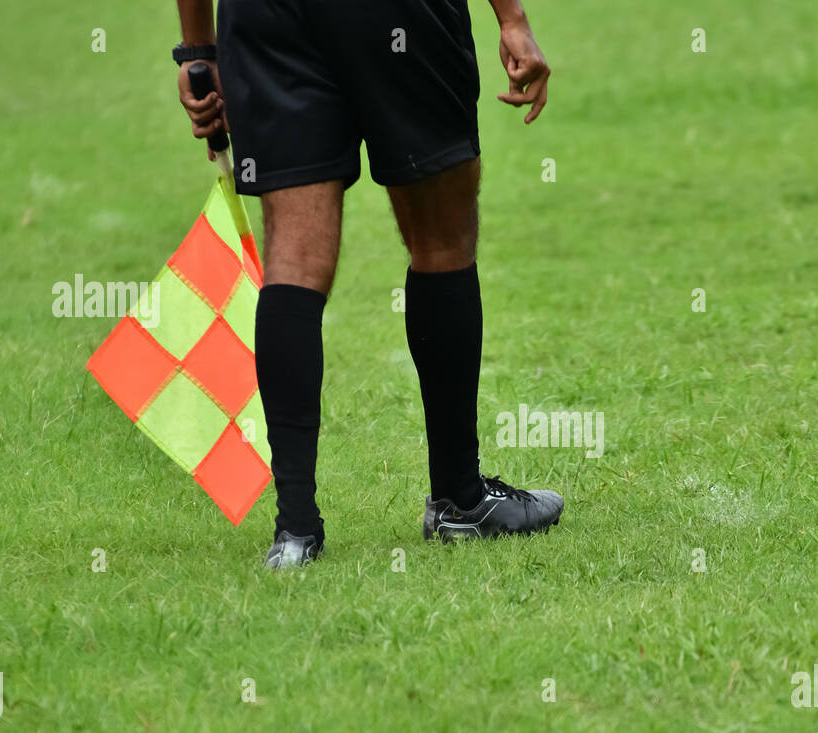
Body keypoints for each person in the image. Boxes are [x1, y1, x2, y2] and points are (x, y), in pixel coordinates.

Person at [173, 0, 564, 568]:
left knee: (295, 257)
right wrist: (511, 17)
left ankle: (295, 533)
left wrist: (198, 50)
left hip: (267, 19)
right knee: (442, 239)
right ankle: (458, 499)